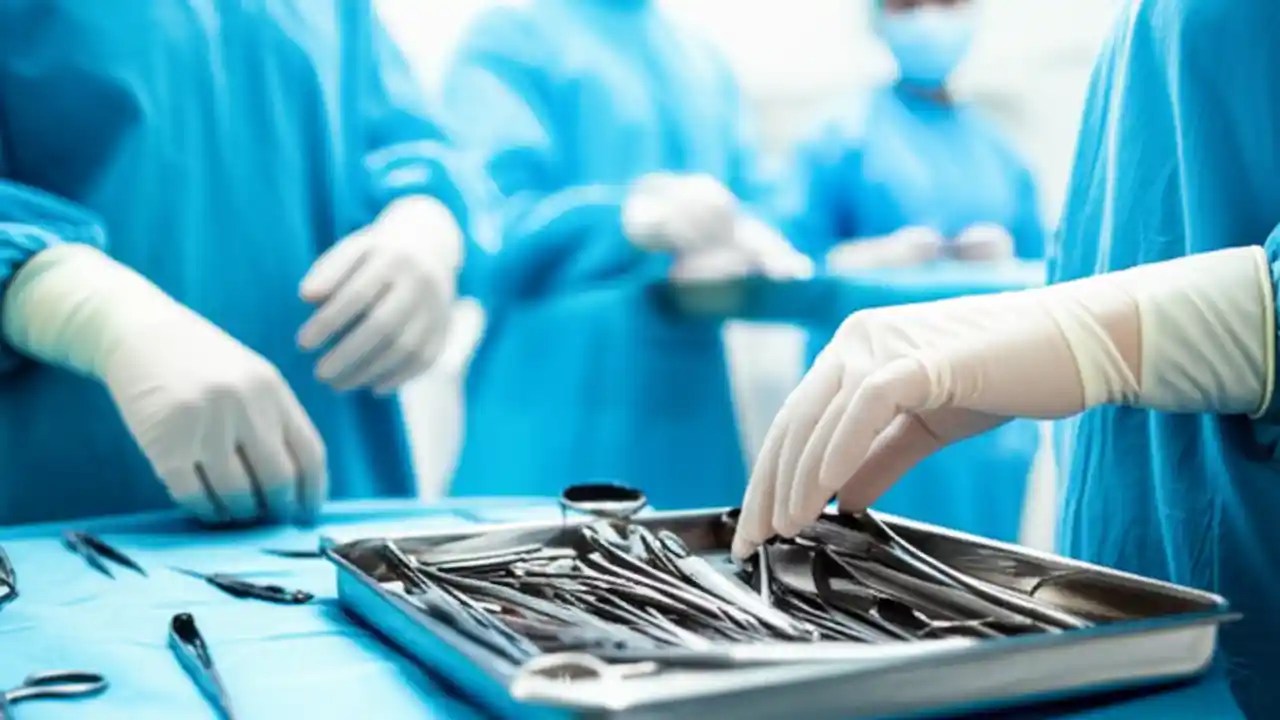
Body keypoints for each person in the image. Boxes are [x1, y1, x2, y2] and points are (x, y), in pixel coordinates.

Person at [735, 1, 1280, 715]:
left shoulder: (994, 147)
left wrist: (1095, 336)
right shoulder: (842, 136)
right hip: (1127, 562)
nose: (929, 18)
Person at [0, 3, 475, 526]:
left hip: (335, 497)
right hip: (70, 502)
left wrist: (424, 221)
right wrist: (85, 311)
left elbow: (401, 137)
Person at [441, 0, 811, 509]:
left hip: (689, 414)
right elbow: (485, 229)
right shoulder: (514, 38)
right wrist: (627, 219)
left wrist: (746, 242)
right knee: (534, 552)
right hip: (549, 409)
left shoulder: (699, 60)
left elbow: (762, 203)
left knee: (702, 554)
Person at [785, 0, 1045, 282]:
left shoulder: (1001, 151)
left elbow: (1046, 274)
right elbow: (789, 269)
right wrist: (868, 260)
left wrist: (1009, 262)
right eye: (907, 4)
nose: (929, 20)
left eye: (947, 2)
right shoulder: (838, 138)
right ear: (877, 17)